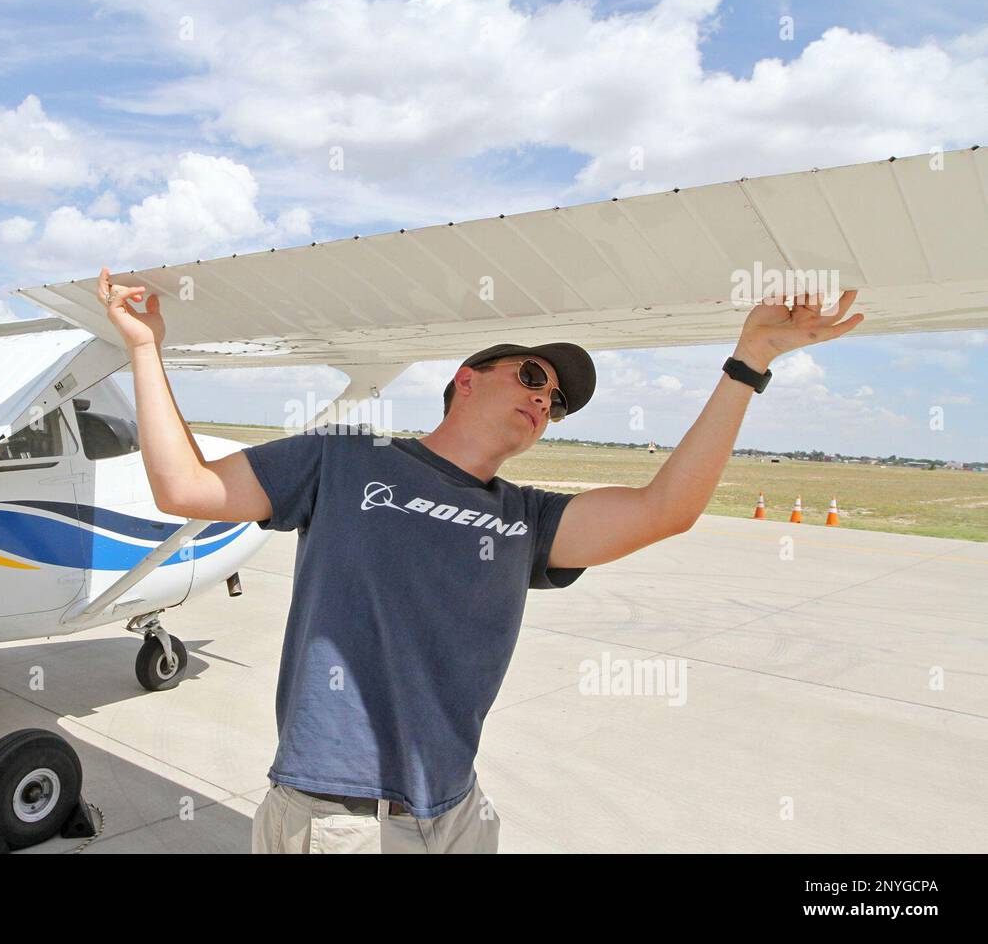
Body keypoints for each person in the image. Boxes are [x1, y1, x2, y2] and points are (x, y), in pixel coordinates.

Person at [95, 268, 864, 853]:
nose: (545, 400)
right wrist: (145, 348)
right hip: (340, 816)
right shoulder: (342, 461)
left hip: (456, 813)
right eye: (532, 376)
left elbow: (667, 510)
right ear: (465, 379)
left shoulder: (527, 519)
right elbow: (184, 486)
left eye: (557, 401)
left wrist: (748, 361)